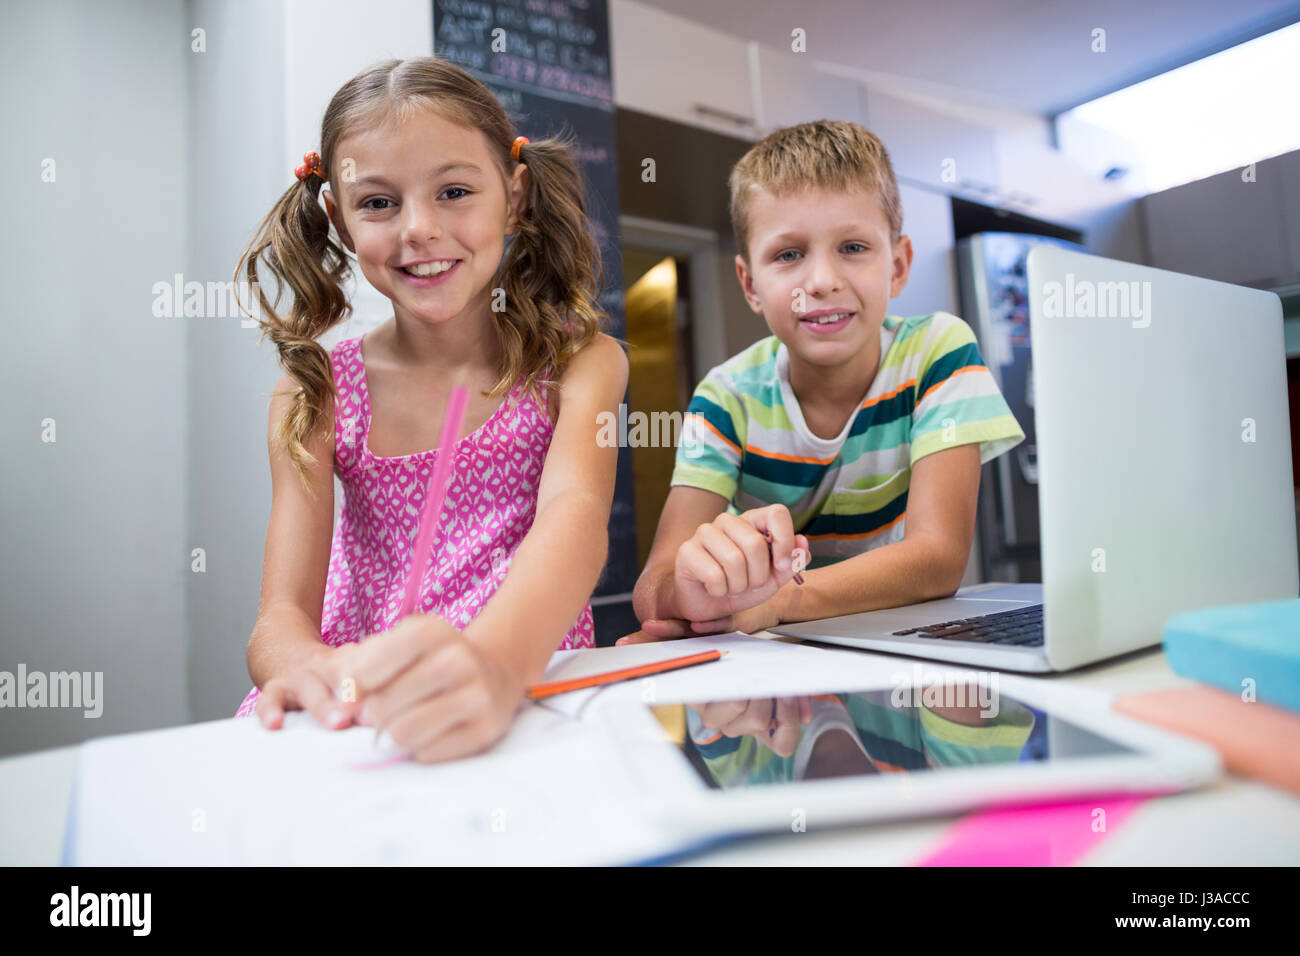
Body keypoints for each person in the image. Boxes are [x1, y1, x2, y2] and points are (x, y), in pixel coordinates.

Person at [231, 56, 627, 763]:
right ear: (340, 221)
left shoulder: (579, 363)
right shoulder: (315, 389)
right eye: (379, 202)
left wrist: (495, 666)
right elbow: (280, 617)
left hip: (523, 687)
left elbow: (576, 523)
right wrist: (304, 670)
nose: (419, 229)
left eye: (453, 191)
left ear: (515, 196)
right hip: (364, 715)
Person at [627, 120, 1024, 642]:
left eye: (853, 248)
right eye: (788, 255)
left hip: (898, 656)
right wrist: (692, 591)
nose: (821, 282)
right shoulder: (725, 398)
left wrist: (781, 598)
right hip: (772, 678)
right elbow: (654, 585)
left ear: (899, 265)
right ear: (750, 284)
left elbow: (939, 559)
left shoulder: (938, 354)